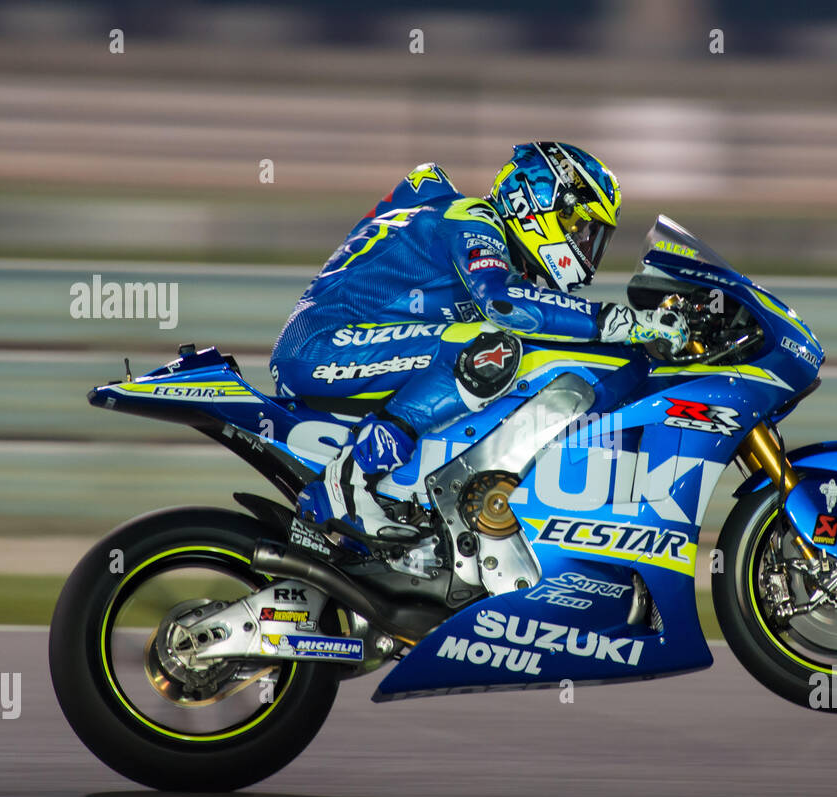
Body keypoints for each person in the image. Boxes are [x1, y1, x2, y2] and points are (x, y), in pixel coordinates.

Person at [269, 141, 689, 541]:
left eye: (594, 235)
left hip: (350, 345)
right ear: (533, 203)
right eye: (578, 226)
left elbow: (525, 305)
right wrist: (621, 321)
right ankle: (348, 483)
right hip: (322, 347)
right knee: (492, 347)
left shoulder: (491, 247)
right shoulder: (473, 217)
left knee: (503, 349)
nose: (585, 245)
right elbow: (503, 304)